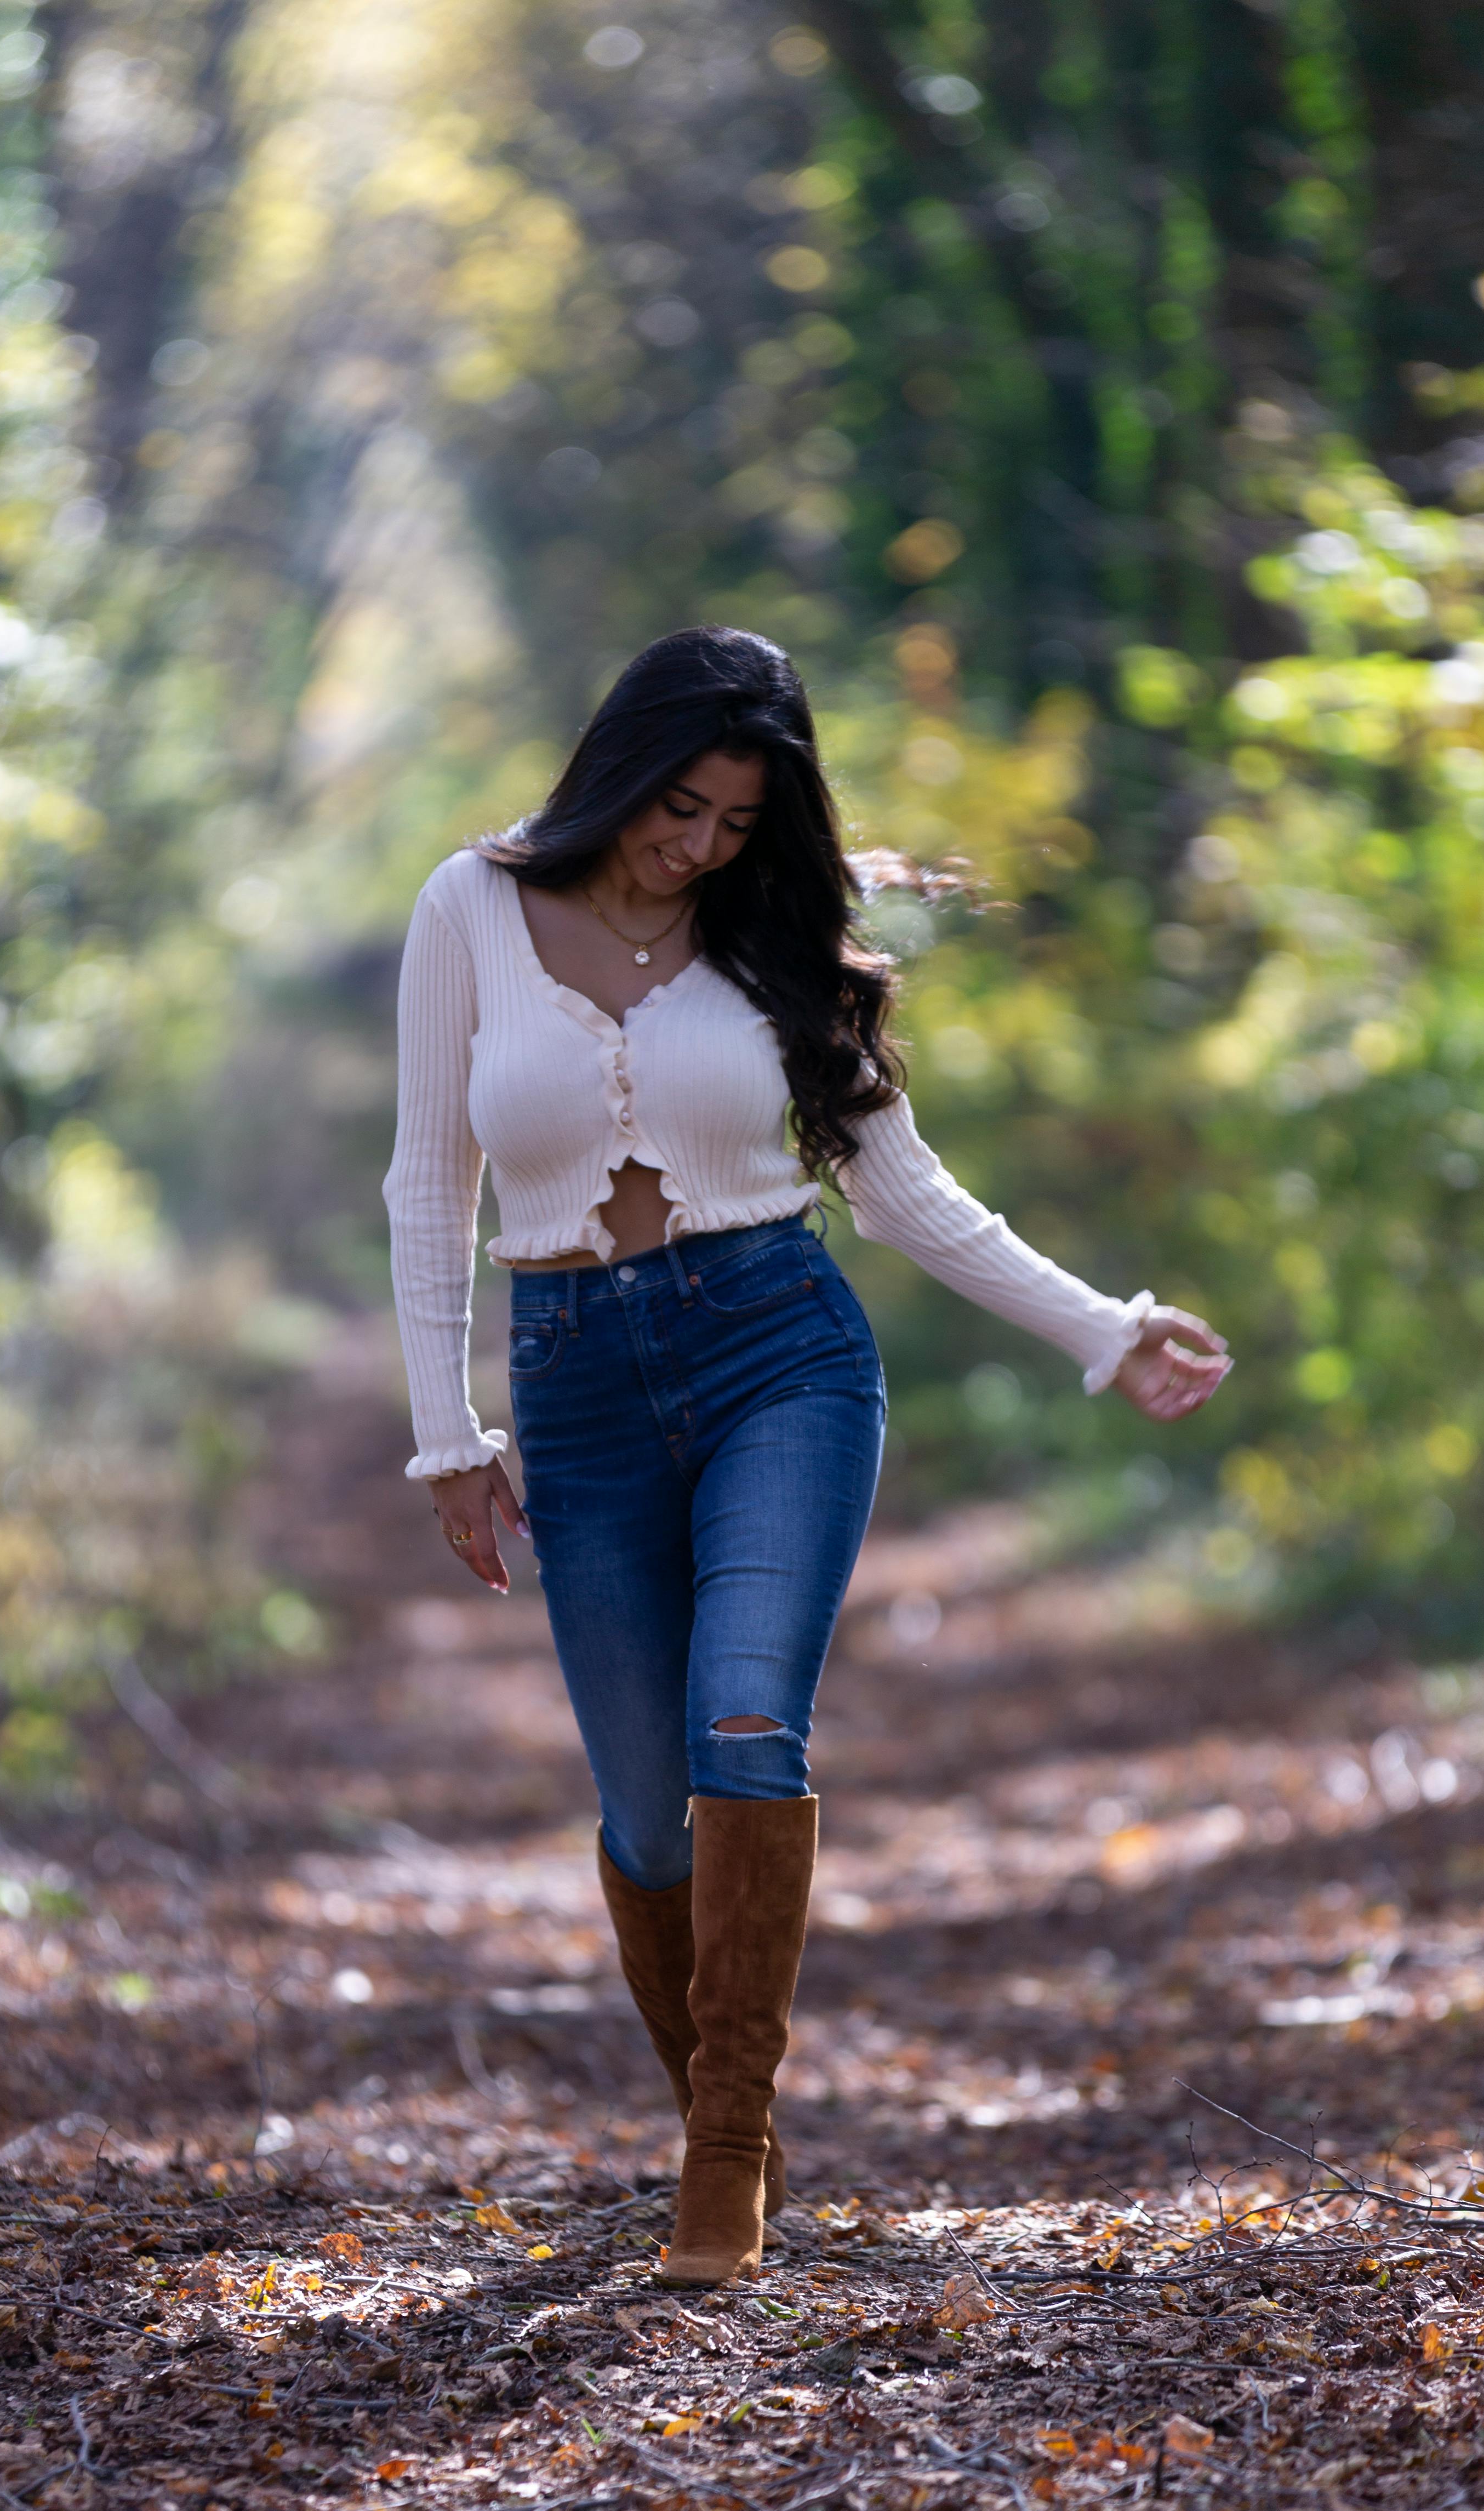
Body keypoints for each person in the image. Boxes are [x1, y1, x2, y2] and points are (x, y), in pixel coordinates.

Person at [384, 626, 1228, 2287]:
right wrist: (447, 1437)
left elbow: (903, 1192)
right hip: (573, 1381)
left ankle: (726, 2159)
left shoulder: (772, 941)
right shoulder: (467, 909)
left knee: (747, 1726)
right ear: (619, 769)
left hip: (782, 1352)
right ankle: (719, 2099)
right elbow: (431, 1184)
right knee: (645, 1818)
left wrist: (1102, 1329)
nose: (697, 847)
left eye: (734, 823)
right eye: (678, 807)